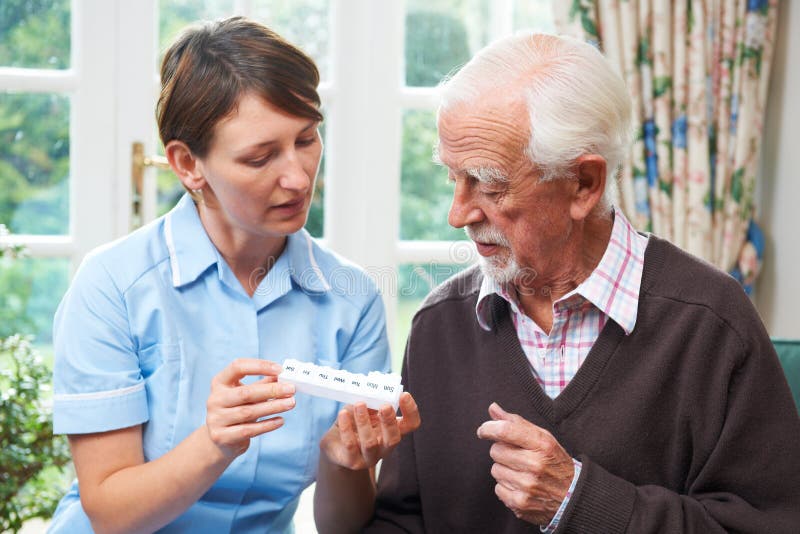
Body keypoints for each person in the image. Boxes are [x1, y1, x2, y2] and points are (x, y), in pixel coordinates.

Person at [366, 33, 800, 533]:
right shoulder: (438, 324)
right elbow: (400, 522)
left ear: (584, 184)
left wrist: (581, 501)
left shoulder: (712, 323)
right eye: (453, 178)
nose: (457, 213)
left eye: (489, 184)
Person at [49, 17, 419, 533]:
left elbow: (344, 526)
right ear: (188, 164)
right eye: (260, 156)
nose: (298, 177)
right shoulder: (113, 286)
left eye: (307, 139)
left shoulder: (350, 298)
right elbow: (110, 514)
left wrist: (346, 462)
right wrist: (214, 443)